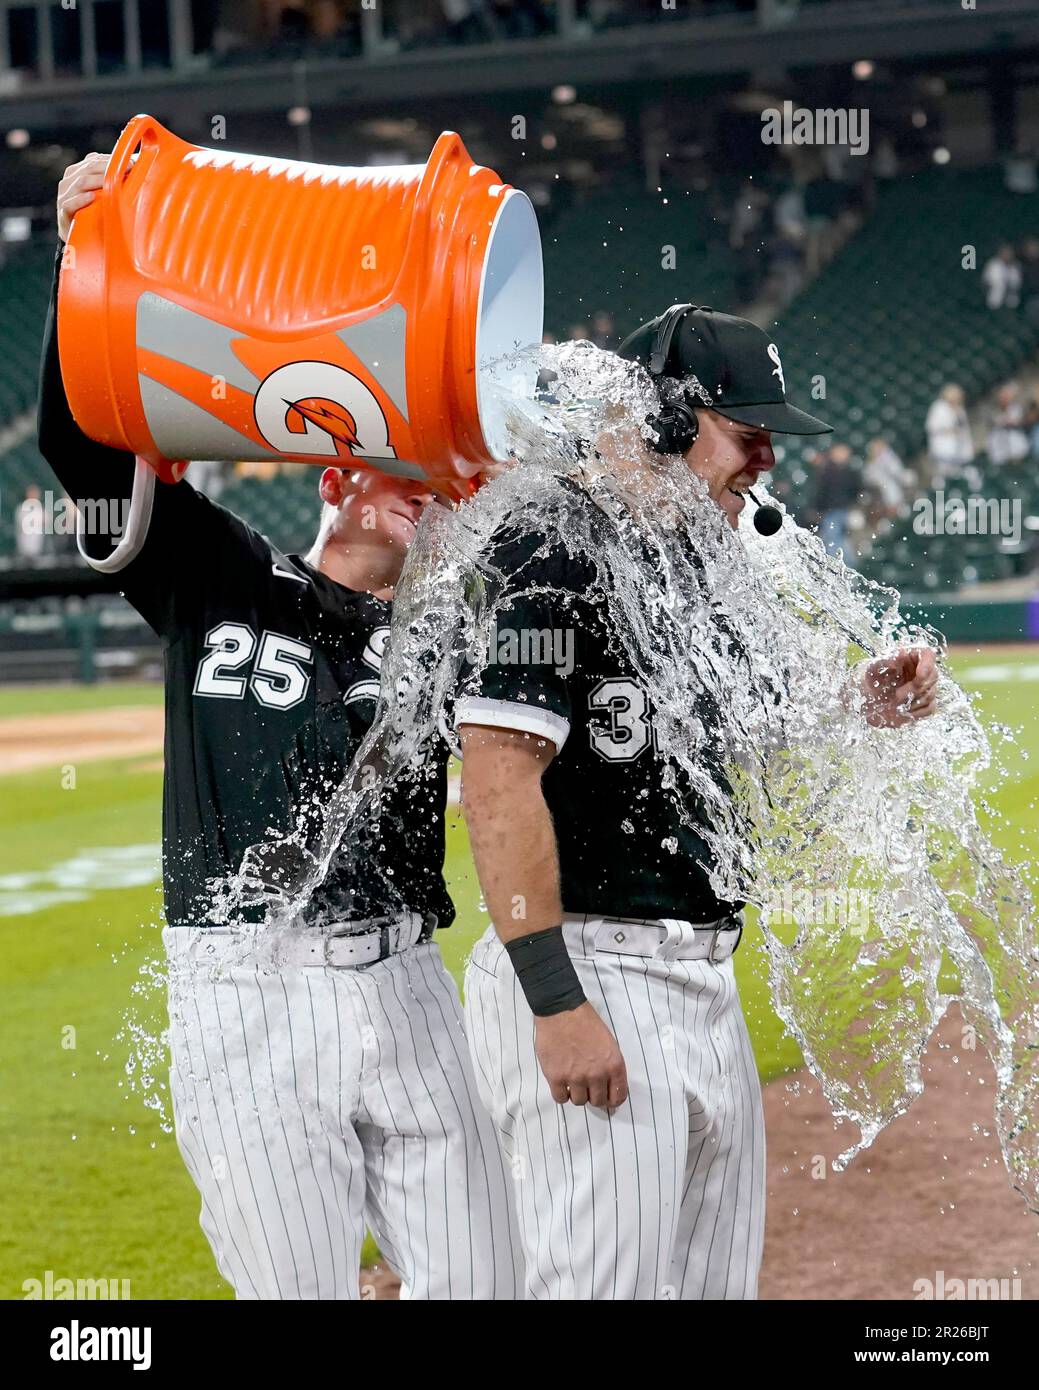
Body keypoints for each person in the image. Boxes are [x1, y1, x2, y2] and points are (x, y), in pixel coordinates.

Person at [39, 153, 519, 1302]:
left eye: (439, 476)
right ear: (336, 469)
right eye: (398, 464)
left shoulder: (449, 639)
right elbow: (85, 453)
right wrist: (81, 264)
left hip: (406, 979)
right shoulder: (213, 570)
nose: (425, 486)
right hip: (243, 983)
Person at [454, 303, 939, 1300]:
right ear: (668, 419)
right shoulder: (550, 541)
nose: (766, 457)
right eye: (746, 429)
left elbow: (728, 728)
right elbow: (496, 770)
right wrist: (553, 998)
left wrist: (857, 702)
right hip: (590, 960)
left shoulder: (699, 561)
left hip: (702, 971)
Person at [925, 383, 975, 483]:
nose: (956, 397)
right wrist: (949, 430)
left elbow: (965, 432)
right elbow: (931, 427)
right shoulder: (939, 407)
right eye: (953, 394)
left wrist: (969, 452)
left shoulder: (960, 410)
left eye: (957, 395)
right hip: (943, 451)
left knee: (967, 477)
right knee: (942, 479)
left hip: (959, 453)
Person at [986, 382, 1030, 466]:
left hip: (1016, 447)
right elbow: (993, 424)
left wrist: (1013, 422)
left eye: (1007, 396)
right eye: (1002, 396)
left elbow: (1023, 421)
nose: (1004, 398)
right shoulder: (993, 411)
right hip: (999, 448)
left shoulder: (1017, 409)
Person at [981, 243, 1022, 310]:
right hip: (994, 298)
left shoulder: (1015, 266)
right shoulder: (993, 264)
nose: (1007, 255)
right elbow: (990, 281)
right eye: (1005, 253)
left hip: (1011, 299)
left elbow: (1017, 282)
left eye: (1009, 253)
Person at [14, 483, 46, 564]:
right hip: (24, 546)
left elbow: (45, 522)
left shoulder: (41, 509)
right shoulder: (21, 509)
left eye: (35, 494)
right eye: (31, 493)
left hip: (38, 546)